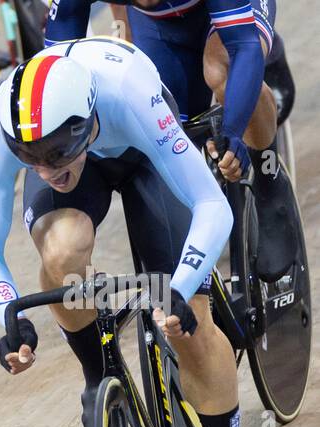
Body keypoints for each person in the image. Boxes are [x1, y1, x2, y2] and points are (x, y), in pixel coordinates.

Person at [0, 38, 268, 427]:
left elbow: (210, 205)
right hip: (91, 158)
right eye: (28, 158)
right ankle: (97, 375)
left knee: (191, 323)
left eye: (56, 152)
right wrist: (10, 317)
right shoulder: (2, 124)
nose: (44, 171)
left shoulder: (130, 96)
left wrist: (183, 283)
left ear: (84, 123)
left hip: (144, 154)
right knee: (61, 255)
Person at [46, 0, 297, 274]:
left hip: (229, 14)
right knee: (166, 127)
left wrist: (233, 132)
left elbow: (243, 47)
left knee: (221, 66)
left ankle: (269, 178)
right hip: (158, 23)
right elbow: (59, 66)